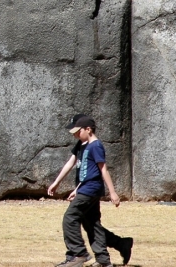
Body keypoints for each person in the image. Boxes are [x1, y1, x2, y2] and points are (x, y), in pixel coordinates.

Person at [47, 114, 134, 267]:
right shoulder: (82, 144)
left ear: (88, 129)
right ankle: (107, 257)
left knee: (70, 217)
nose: (74, 135)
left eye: (77, 131)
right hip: (85, 188)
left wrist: (112, 192)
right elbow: (75, 164)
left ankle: (77, 254)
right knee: (92, 224)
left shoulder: (96, 146)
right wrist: (58, 183)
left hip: (92, 188)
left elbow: (103, 170)